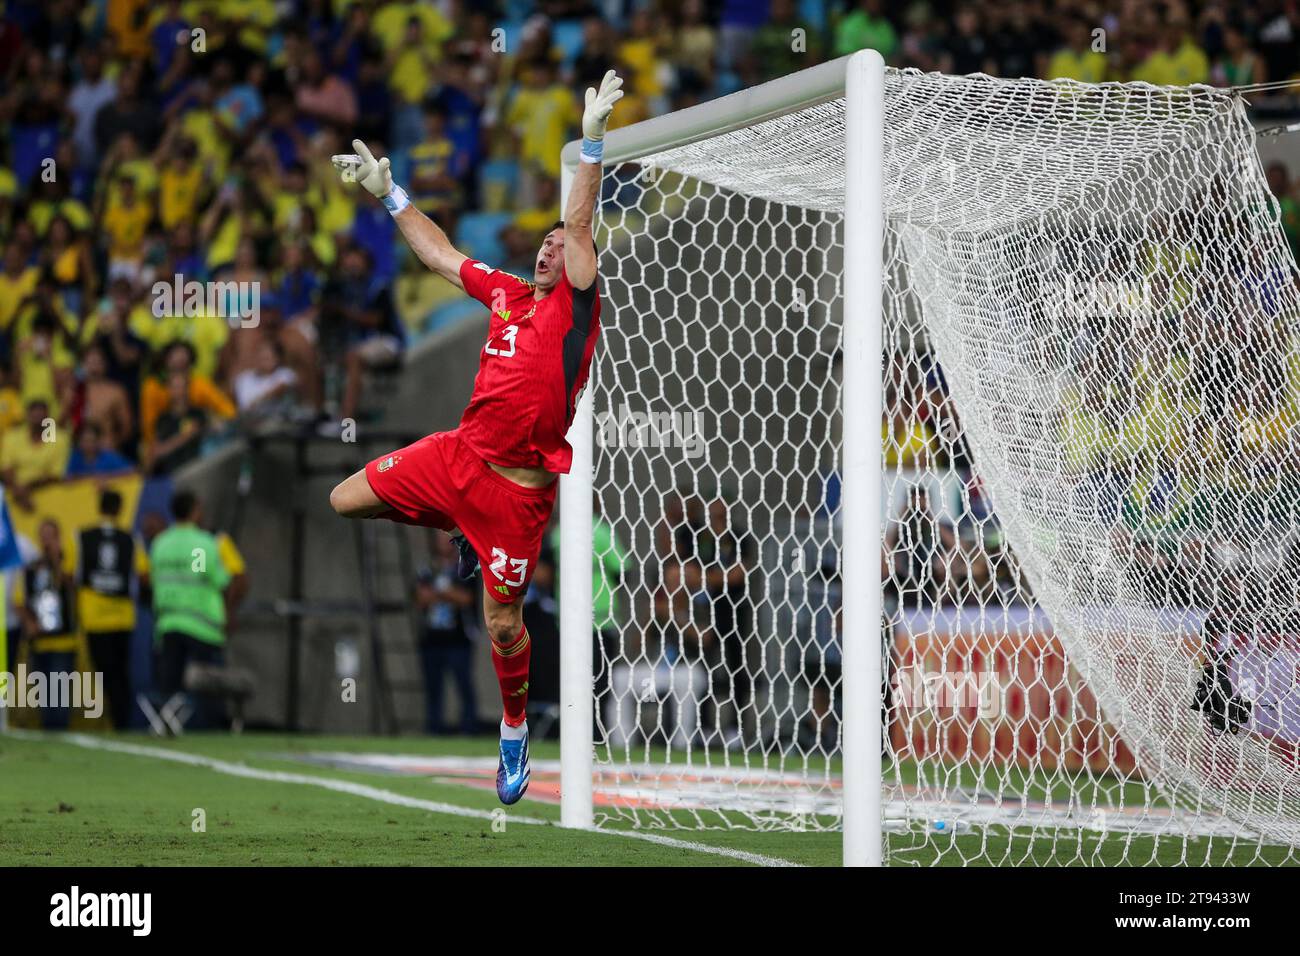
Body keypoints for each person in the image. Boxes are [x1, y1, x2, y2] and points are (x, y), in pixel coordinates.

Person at [328, 70, 623, 805]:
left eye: (560, 244)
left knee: (500, 621)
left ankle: (515, 731)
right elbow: (438, 253)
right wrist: (390, 193)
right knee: (342, 499)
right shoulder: (506, 293)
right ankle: (456, 527)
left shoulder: (576, 313)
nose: (551, 249)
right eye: (546, 242)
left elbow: (582, 225)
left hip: (514, 495)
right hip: (454, 457)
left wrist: (592, 142)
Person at [149, 490, 233, 729]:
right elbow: (221, 580)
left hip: (168, 621)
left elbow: (155, 579)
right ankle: (213, 730)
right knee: (209, 685)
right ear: (195, 511)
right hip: (202, 624)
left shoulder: (160, 543)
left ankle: (167, 726)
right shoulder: (205, 543)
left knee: (170, 683)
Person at [77, 489, 146, 730]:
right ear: (119, 509)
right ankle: (121, 722)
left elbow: (71, 575)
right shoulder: (131, 539)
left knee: (105, 672)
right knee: (121, 673)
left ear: (99, 507)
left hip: (94, 617)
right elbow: (143, 575)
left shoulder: (82, 537)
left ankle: (115, 721)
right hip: (123, 617)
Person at [17, 519, 78, 729]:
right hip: (40, 642)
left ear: (58, 537)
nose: (46, 539)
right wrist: (30, 622)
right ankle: (49, 734)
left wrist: (57, 560)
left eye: (50, 535)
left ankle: (59, 731)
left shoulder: (67, 565)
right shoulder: (31, 567)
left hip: (63, 641)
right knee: (44, 693)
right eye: (43, 534)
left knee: (59, 693)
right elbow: (19, 599)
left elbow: (73, 588)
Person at [415, 535, 478, 735]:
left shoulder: (467, 567)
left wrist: (439, 594)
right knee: (433, 688)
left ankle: (469, 728)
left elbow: (466, 598)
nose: (443, 542)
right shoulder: (427, 568)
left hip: (458, 639)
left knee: (463, 685)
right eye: (439, 538)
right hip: (432, 639)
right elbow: (421, 598)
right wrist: (448, 594)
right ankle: (433, 728)